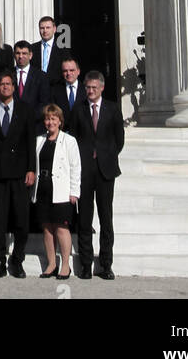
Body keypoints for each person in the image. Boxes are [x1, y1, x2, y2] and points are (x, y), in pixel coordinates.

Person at [0, 72, 37, 278]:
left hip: (20, 173)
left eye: (8, 84)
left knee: (22, 220)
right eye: (1, 84)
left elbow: (31, 142)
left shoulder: (26, 111)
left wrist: (32, 169)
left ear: (14, 87)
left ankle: (17, 259)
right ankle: (0, 260)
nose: (5, 87)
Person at [69, 70, 124, 279]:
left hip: (105, 170)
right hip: (84, 171)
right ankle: (85, 264)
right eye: (87, 88)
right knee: (84, 218)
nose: (90, 91)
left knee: (105, 218)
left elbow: (119, 139)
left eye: (94, 88)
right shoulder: (79, 109)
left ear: (101, 88)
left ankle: (106, 264)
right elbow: (73, 137)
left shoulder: (112, 109)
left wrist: (106, 156)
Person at [32, 103, 80, 279]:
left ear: (60, 121)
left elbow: (76, 167)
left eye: (53, 119)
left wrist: (74, 191)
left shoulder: (69, 141)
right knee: (47, 228)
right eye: (47, 118)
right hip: (43, 187)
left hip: (61, 190)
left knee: (61, 227)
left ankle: (65, 265)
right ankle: (51, 263)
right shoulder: (39, 140)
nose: (50, 122)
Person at [32, 15, 67, 102]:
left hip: (56, 94)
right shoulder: (32, 48)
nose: (45, 31)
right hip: (36, 94)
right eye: (42, 28)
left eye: (48, 27)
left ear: (54, 29)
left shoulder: (63, 50)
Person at [13, 40, 50, 117]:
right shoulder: (8, 74)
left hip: (34, 123)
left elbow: (44, 102)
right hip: (12, 123)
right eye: (18, 53)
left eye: (24, 53)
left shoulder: (41, 76)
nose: (20, 56)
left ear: (30, 55)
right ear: (14, 55)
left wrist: (29, 117)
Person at [57, 55, 87, 129]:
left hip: (82, 132)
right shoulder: (55, 90)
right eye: (65, 71)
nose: (68, 73)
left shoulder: (86, 90)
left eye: (72, 70)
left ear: (78, 71)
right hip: (63, 132)